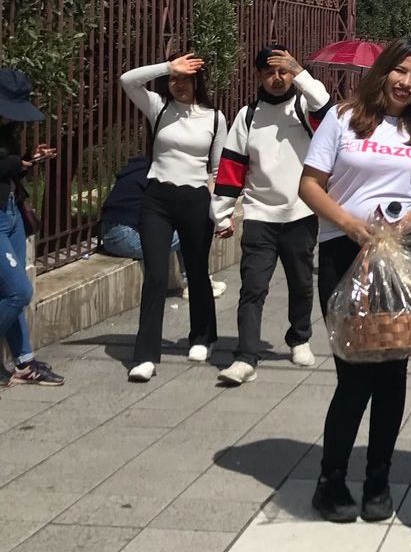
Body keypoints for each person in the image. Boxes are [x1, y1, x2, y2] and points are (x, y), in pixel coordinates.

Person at [298, 37, 411, 523]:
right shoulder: (342, 118)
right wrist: (352, 225)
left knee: (393, 375)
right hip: (344, 254)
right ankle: (330, 479)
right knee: (354, 376)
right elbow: (309, 184)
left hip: (399, 261)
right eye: (400, 70)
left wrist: (410, 222)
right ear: (383, 70)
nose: (407, 82)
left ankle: (377, 477)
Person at [211, 46, 331, 385]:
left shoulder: (305, 108)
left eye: (283, 71)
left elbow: (325, 104)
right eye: (269, 72)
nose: (277, 79)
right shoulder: (247, 116)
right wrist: (221, 214)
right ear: (258, 76)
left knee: (301, 282)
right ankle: (246, 356)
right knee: (253, 286)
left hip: (300, 212)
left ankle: (300, 337)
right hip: (260, 214)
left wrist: (299, 69)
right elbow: (232, 167)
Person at [120, 53, 226, 382]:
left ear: (199, 81)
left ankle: (203, 336)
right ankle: (145, 355)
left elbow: (218, 170)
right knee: (155, 274)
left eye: (185, 79)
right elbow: (127, 80)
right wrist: (168, 67)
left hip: (195, 198)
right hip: (157, 198)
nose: (178, 85)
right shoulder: (158, 107)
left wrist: (221, 214)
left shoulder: (215, 118)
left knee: (196, 270)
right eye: (174, 79)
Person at [0, 69, 64, 388]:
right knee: (19, 291)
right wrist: (17, 165)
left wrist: (27, 161)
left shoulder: (8, 127)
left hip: (10, 210)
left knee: (10, 290)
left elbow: (7, 171)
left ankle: (24, 362)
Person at [100, 155, 228, 299]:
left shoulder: (143, 166)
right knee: (189, 229)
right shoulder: (163, 175)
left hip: (111, 232)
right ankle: (194, 284)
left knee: (184, 225)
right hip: (124, 235)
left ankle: (196, 280)